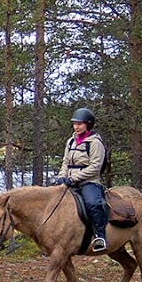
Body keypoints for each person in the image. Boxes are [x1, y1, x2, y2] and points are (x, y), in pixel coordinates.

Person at [50, 107, 109, 253]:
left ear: (88, 124)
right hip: (69, 181)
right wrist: (61, 177)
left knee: (93, 203)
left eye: (80, 124)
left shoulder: (95, 143)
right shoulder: (71, 141)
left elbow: (95, 167)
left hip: (89, 182)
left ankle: (100, 236)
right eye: (75, 124)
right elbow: (65, 162)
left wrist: (73, 178)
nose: (76, 127)